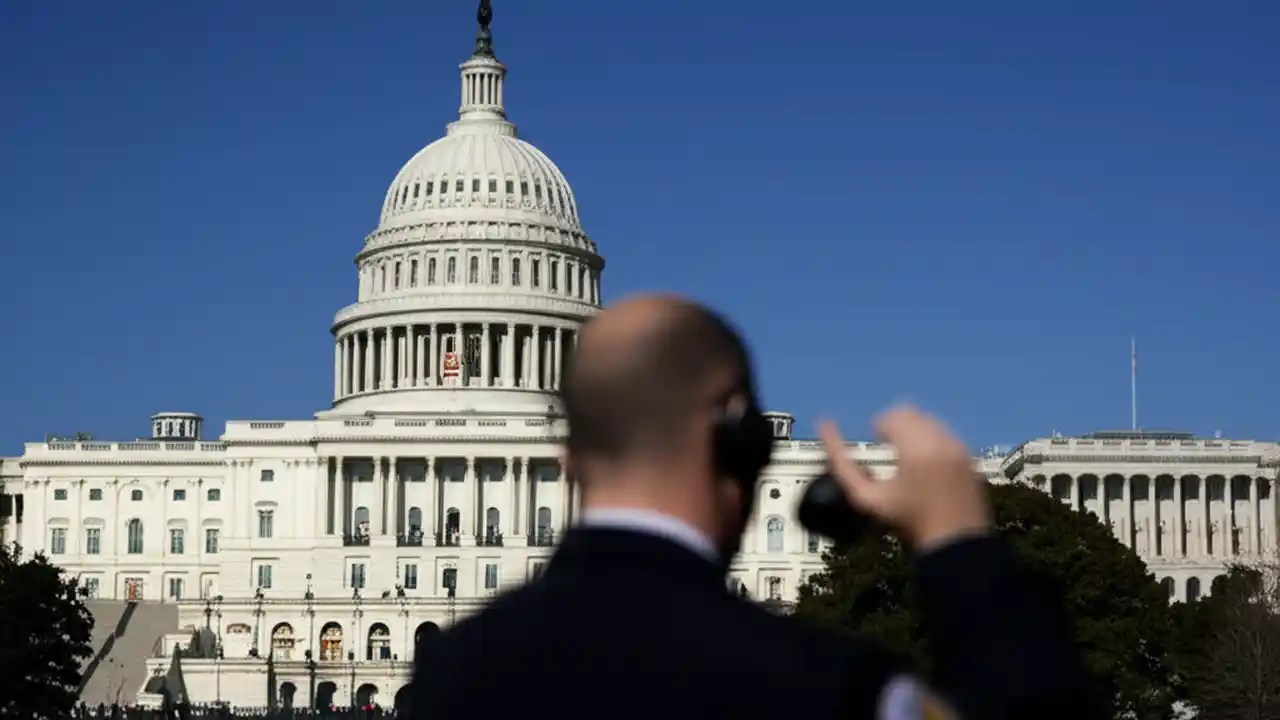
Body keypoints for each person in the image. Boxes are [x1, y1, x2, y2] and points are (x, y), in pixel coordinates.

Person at [411, 294, 1103, 719]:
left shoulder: (449, 681)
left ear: (567, 462)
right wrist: (962, 547)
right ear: (742, 439)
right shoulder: (826, 681)